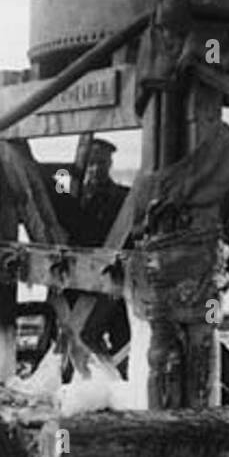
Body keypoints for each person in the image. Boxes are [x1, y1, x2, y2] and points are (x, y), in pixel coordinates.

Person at [72, 138, 131, 359]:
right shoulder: (71, 196)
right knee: (79, 333)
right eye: (92, 163)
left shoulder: (124, 198)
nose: (96, 169)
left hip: (113, 282)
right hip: (78, 282)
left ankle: (116, 380)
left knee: (120, 335)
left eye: (102, 163)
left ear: (110, 165)